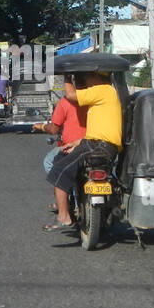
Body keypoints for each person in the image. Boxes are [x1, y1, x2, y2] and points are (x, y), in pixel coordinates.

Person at [44, 71, 122, 231]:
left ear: (98, 77)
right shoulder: (104, 95)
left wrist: (66, 76)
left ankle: (64, 217)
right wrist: (75, 143)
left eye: (87, 77)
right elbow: (98, 131)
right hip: (96, 144)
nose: (85, 81)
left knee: (58, 170)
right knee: (60, 157)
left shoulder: (103, 89)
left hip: (98, 146)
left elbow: (71, 95)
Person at [39, 95, 87, 213]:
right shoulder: (95, 98)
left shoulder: (65, 102)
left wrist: (41, 126)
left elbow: (54, 129)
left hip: (71, 146)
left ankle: (64, 195)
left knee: (49, 162)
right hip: (96, 144)